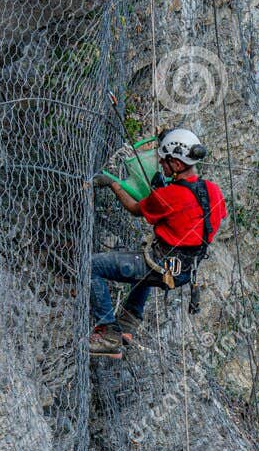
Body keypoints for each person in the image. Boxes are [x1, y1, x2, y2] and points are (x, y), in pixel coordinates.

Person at [89, 126, 227, 359]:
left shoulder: (169, 195)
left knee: (90, 266)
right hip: (184, 271)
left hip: (160, 265)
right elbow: (210, 216)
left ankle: (109, 334)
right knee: (140, 269)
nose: (160, 164)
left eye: (164, 161)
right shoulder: (213, 191)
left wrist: (114, 184)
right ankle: (129, 324)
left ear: (177, 164)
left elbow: (134, 209)